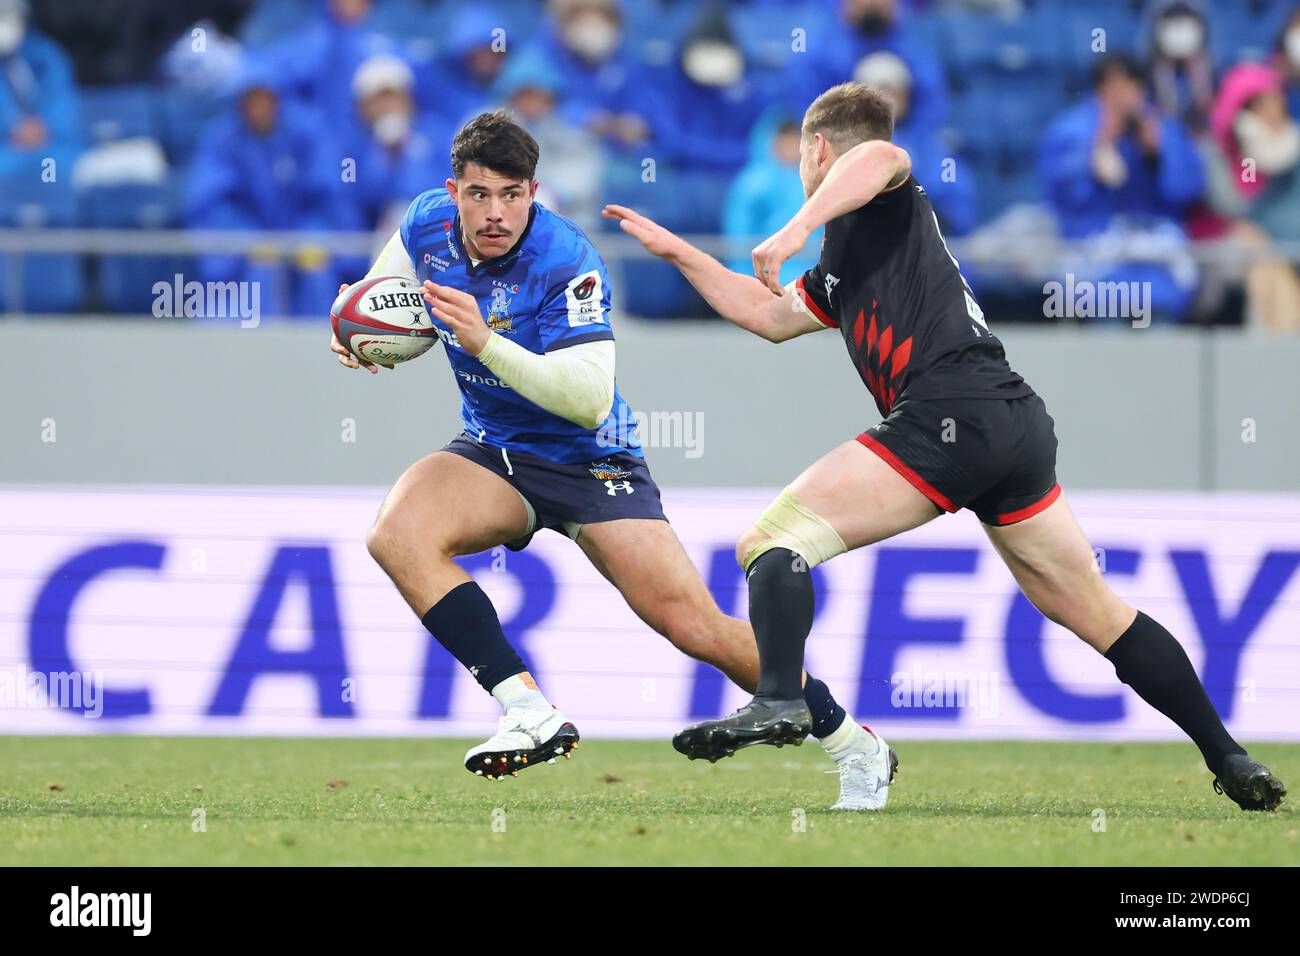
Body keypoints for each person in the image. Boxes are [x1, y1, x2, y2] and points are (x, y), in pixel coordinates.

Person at [605, 82, 1286, 812]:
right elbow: (768, 316)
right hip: (1011, 423)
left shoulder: (881, 191)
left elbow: (883, 154)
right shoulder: (849, 254)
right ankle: (1231, 756)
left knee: (772, 542)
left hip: (947, 413)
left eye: (810, 155)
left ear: (817, 150)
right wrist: (679, 253)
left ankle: (781, 699)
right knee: (1095, 610)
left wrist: (791, 228)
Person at [328, 111, 889, 810]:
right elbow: (385, 294)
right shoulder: (424, 223)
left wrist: (482, 343)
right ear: (454, 190)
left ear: (534, 190)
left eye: (512, 194)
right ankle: (526, 709)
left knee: (695, 626)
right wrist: (358, 333)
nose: (496, 212)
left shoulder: (567, 259)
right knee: (397, 535)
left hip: (592, 461)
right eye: (479, 195)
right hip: (494, 450)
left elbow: (589, 399)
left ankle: (855, 746)